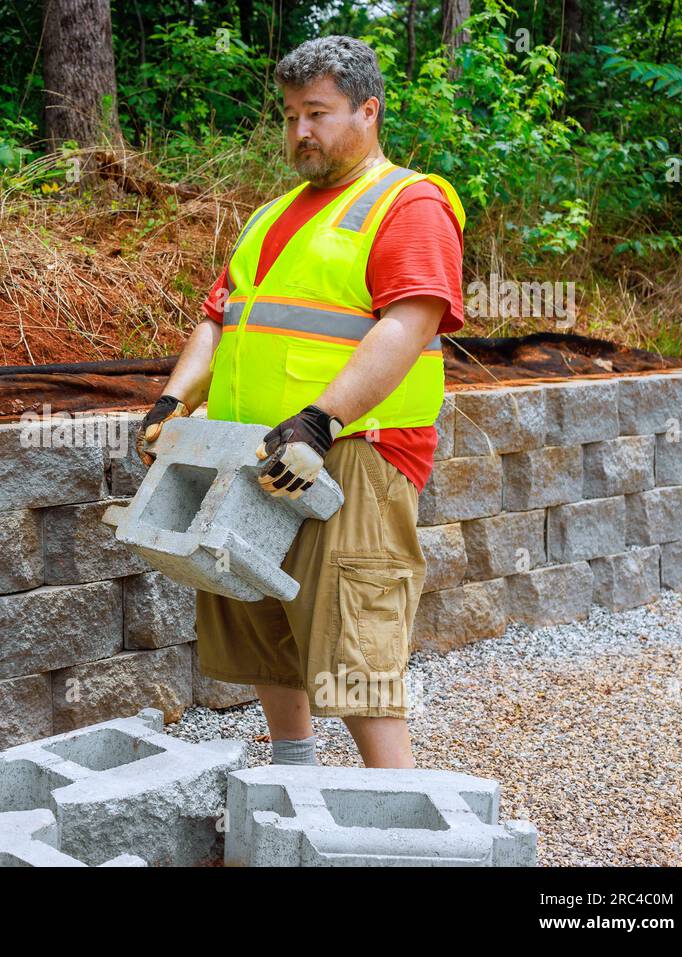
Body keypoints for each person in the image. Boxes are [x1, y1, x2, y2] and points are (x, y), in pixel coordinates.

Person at [135, 35, 465, 769]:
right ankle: (294, 776)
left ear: (368, 111)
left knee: (355, 641)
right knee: (258, 614)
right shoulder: (273, 215)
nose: (299, 133)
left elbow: (410, 321)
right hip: (253, 450)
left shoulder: (407, 203)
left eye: (316, 113)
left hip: (349, 455)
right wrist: (172, 399)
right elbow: (219, 319)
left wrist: (320, 420)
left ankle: (396, 817)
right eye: (289, 116)